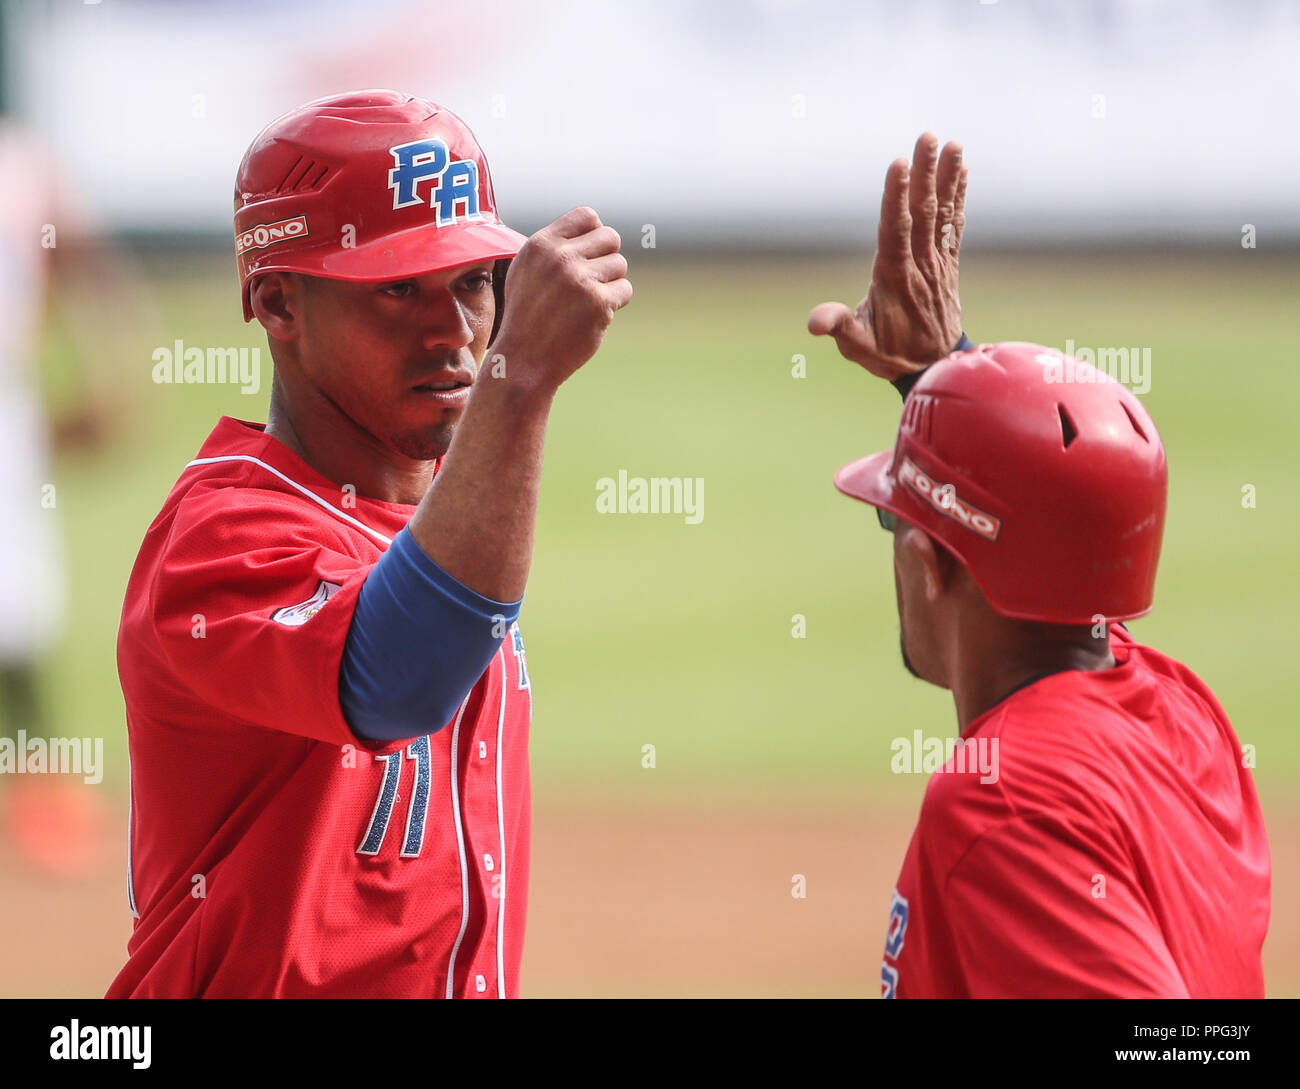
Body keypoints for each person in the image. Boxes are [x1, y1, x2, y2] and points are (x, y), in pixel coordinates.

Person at [108, 89, 631, 998]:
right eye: (396, 289)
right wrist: (521, 379)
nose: (455, 333)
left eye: (473, 283)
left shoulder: (443, 531)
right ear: (278, 304)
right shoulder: (220, 540)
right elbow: (399, 672)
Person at [810, 134, 1270, 998]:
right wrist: (941, 384)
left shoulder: (1001, 799)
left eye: (894, 517)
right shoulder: (1183, 717)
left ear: (931, 564)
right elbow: (1059, 535)